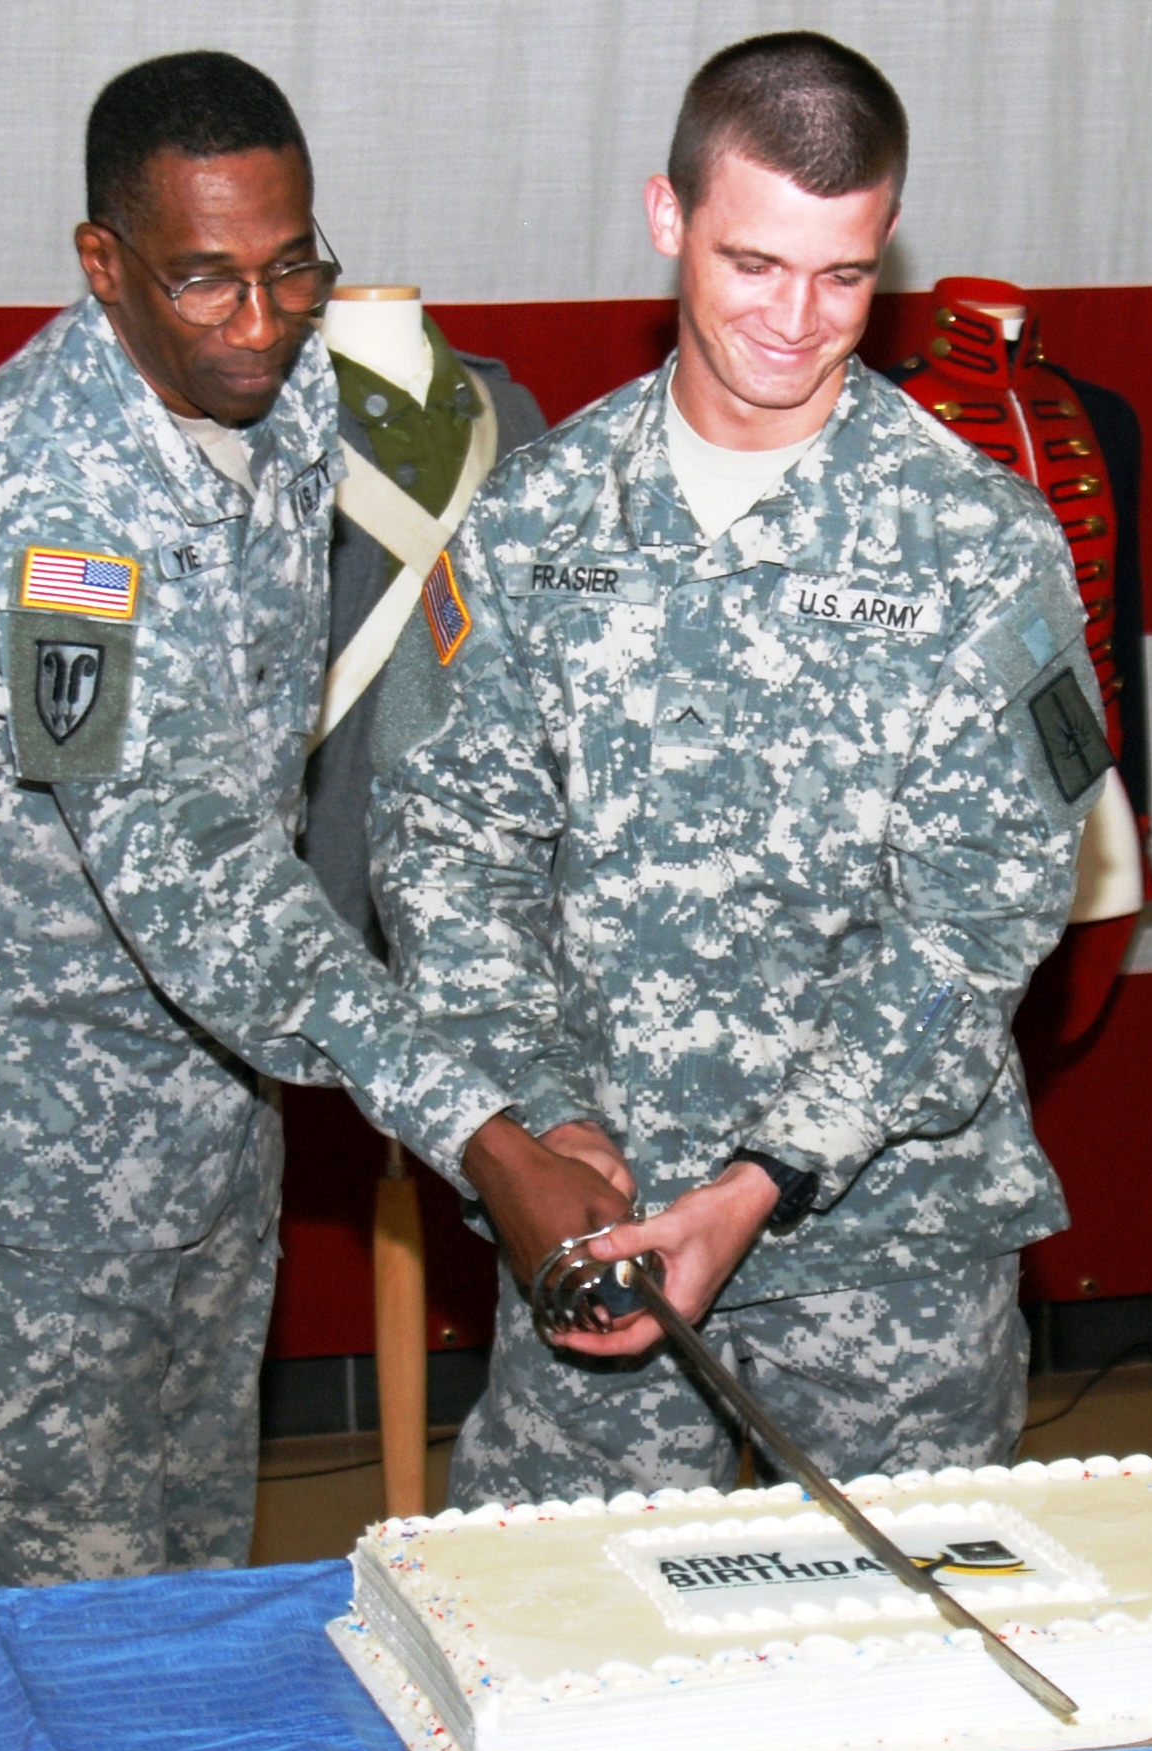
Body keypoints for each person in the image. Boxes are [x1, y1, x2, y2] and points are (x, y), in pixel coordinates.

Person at [0, 51, 626, 1589]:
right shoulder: (41, 507)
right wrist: (481, 1131)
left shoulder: (286, 372)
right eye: (205, 284)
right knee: (63, 1661)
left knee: (193, 1611)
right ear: (104, 265)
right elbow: (194, 877)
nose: (259, 325)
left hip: (203, 1137)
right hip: (16, 1189)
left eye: (291, 267)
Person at [369, 32, 1107, 1503]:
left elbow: (981, 918)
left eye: (843, 277)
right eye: (754, 264)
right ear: (668, 220)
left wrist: (767, 1176)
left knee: (895, 1682)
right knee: (565, 1652)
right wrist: (550, 1126)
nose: (796, 319)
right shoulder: (533, 522)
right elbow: (447, 847)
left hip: (886, 1257)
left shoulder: (976, 544)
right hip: (605, 1226)